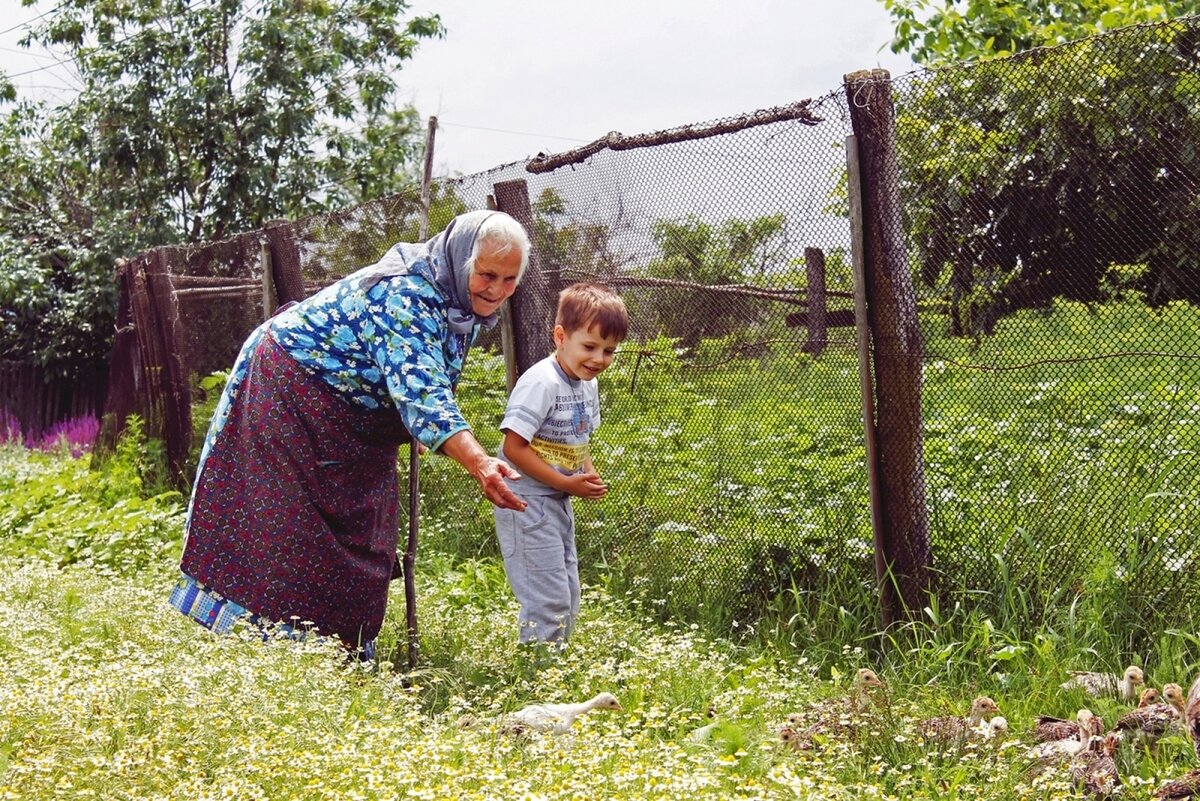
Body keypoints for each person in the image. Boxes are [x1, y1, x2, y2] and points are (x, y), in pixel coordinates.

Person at [169, 209, 531, 658]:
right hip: (290, 392)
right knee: (286, 530)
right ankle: (266, 652)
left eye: (509, 279)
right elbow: (423, 391)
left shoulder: (459, 304)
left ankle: (339, 655)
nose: (496, 290)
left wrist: (420, 424)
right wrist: (478, 461)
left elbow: (425, 379)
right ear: (462, 263)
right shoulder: (405, 293)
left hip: (356, 423)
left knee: (364, 535)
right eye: (487, 274)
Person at [492, 282, 629, 646]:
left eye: (609, 351)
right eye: (590, 346)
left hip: (555, 500)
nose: (599, 359)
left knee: (568, 590)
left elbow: (577, 437)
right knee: (547, 598)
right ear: (560, 337)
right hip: (525, 501)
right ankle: (536, 677)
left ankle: (555, 669)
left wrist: (586, 471)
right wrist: (566, 483)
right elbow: (514, 447)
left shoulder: (586, 384)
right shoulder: (542, 382)